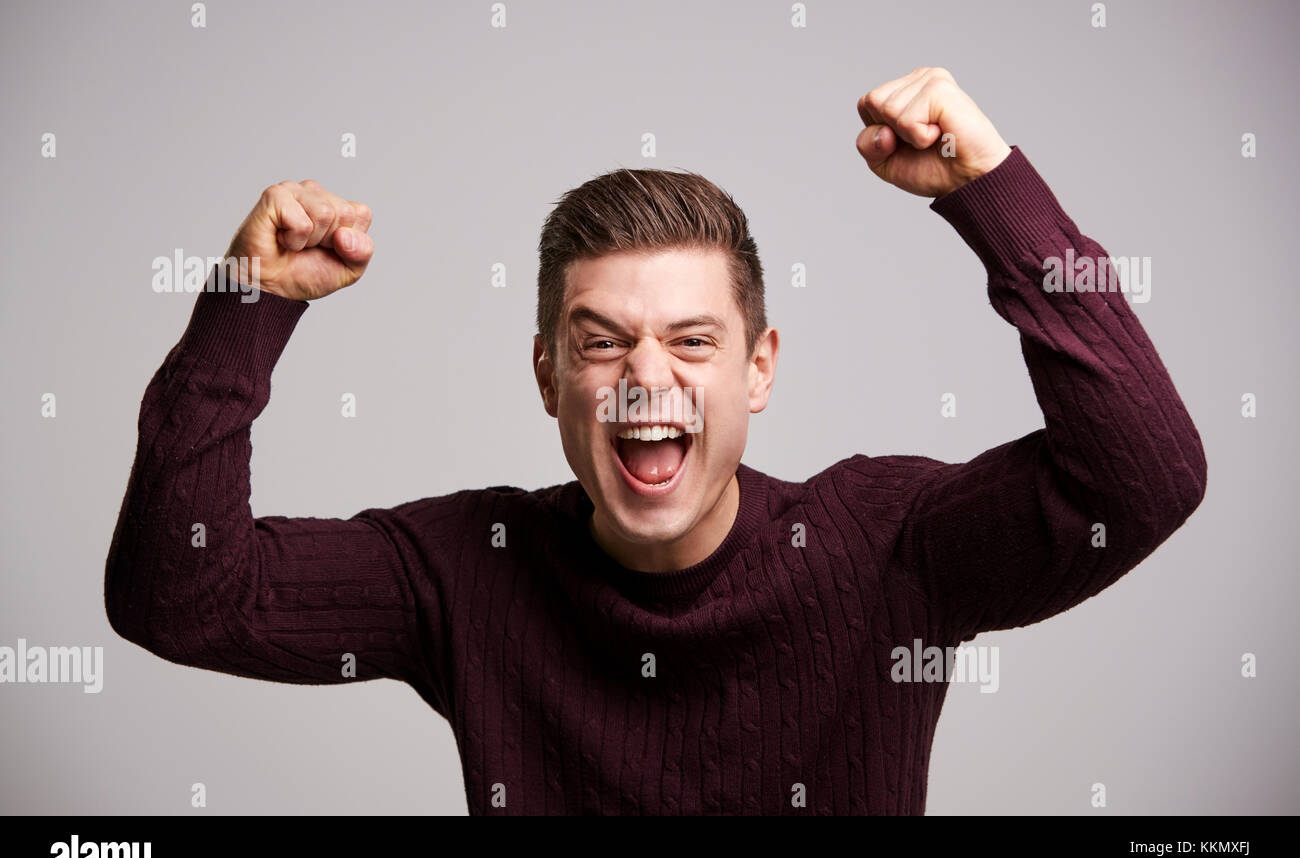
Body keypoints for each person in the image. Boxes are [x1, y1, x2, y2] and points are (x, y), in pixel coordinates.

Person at [104, 68, 1207, 815]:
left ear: (757, 367)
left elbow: (1144, 476)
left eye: (690, 338)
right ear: (546, 375)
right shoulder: (468, 567)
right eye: (599, 342)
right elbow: (179, 592)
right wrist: (245, 305)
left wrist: (992, 191)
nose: (645, 376)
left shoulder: (889, 548)